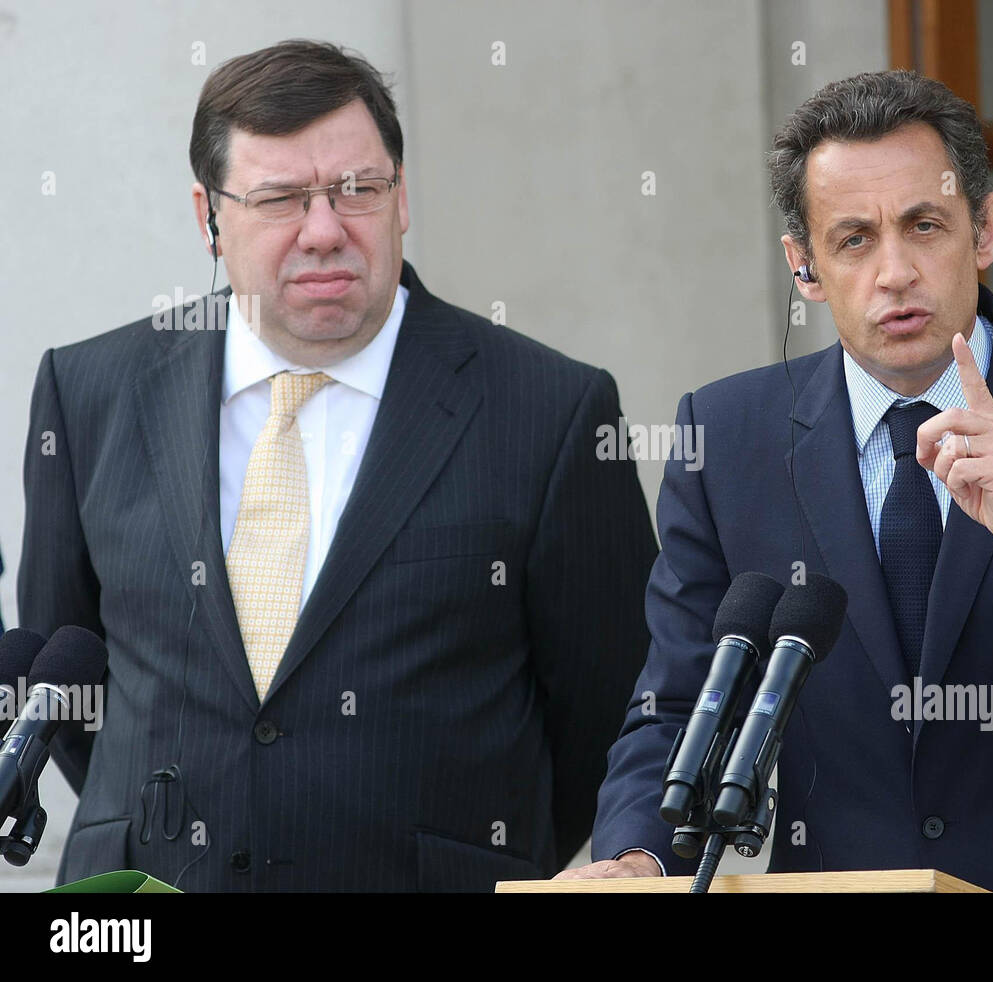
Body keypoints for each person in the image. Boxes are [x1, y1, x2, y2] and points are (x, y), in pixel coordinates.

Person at [565, 70, 993, 891]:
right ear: (804, 266)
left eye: (924, 226)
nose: (895, 272)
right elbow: (679, 704)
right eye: (853, 239)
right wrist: (636, 855)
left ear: (984, 230)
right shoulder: (725, 436)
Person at [19, 40, 657, 892]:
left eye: (358, 190)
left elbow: (615, 711)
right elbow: (65, 673)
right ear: (208, 216)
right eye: (281, 198)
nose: (325, 231)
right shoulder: (88, 391)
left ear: (401, 199)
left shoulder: (548, 410)